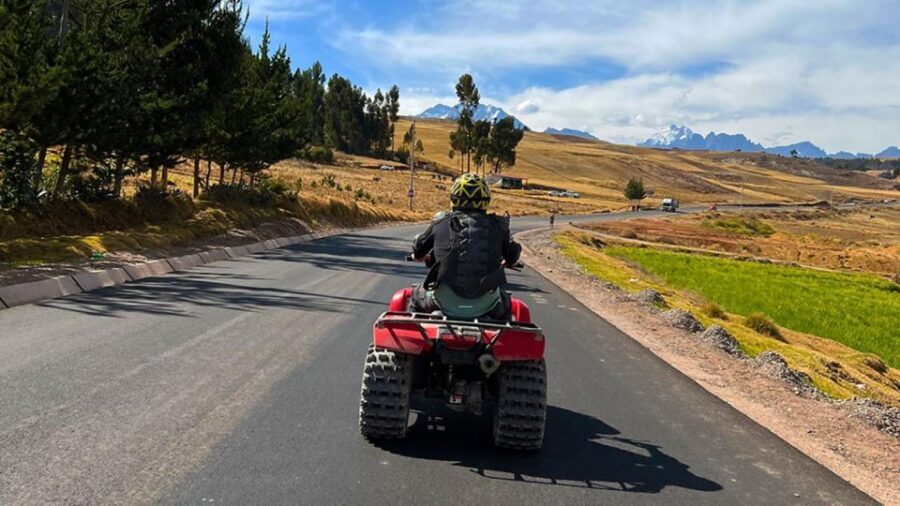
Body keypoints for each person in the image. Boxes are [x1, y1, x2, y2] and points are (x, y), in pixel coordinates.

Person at [410, 173, 521, 320]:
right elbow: (513, 255)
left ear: (454, 198)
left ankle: (412, 339)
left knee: (415, 295)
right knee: (506, 302)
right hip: (487, 306)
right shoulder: (499, 225)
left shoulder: (441, 221)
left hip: (442, 303)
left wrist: (420, 255)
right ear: (486, 199)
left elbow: (418, 249)